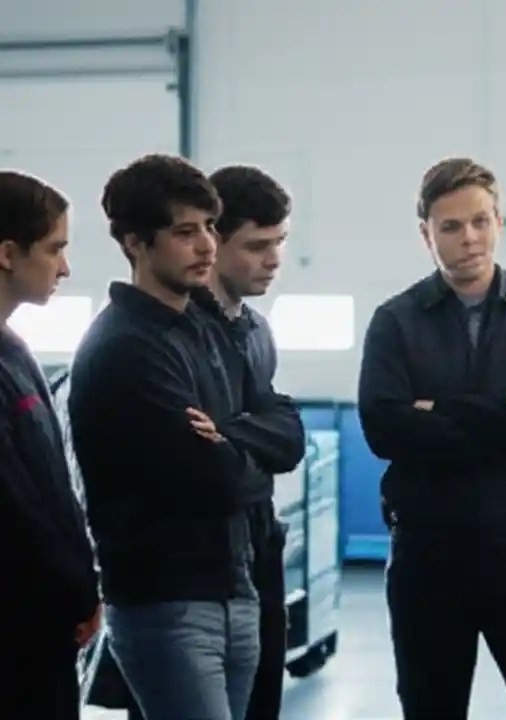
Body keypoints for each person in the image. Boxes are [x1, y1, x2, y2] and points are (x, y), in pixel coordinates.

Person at [358, 157, 506, 719]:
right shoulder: (396, 321)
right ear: (426, 234)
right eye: (451, 227)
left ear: (498, 222)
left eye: (480, 222)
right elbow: (384, 428)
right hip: (426, 554)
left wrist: (438, 412)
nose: (470, 238)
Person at [68, 154, 261, 720]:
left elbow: (279, 425)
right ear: (135, 243)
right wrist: (245, 449)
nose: (206, 245)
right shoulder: (125, 348)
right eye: (184, 232)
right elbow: (212, 478)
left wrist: (233, 440)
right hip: (167, 602)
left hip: (232, 585)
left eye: (209, 227)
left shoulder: (203, 328)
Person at [198, 164, 306, 720]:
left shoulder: (258, 331)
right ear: (211, 241)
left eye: (280, 243)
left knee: (264, 698)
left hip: (261, 543)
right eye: (257, 245)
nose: (274, 259)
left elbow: (289, 437)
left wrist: (234, 429)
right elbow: (202, 455)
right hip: (202, 558)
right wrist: (254, 433)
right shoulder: (182, 333)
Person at [0, 171, 101, 719]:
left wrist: (82, 588)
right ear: (8, 254)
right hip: (16, 621)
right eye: (55, 249)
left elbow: (54, 486)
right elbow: (18, 503)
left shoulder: (16, 353)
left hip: (46, 619)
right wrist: (71, 589)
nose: (64, 268)